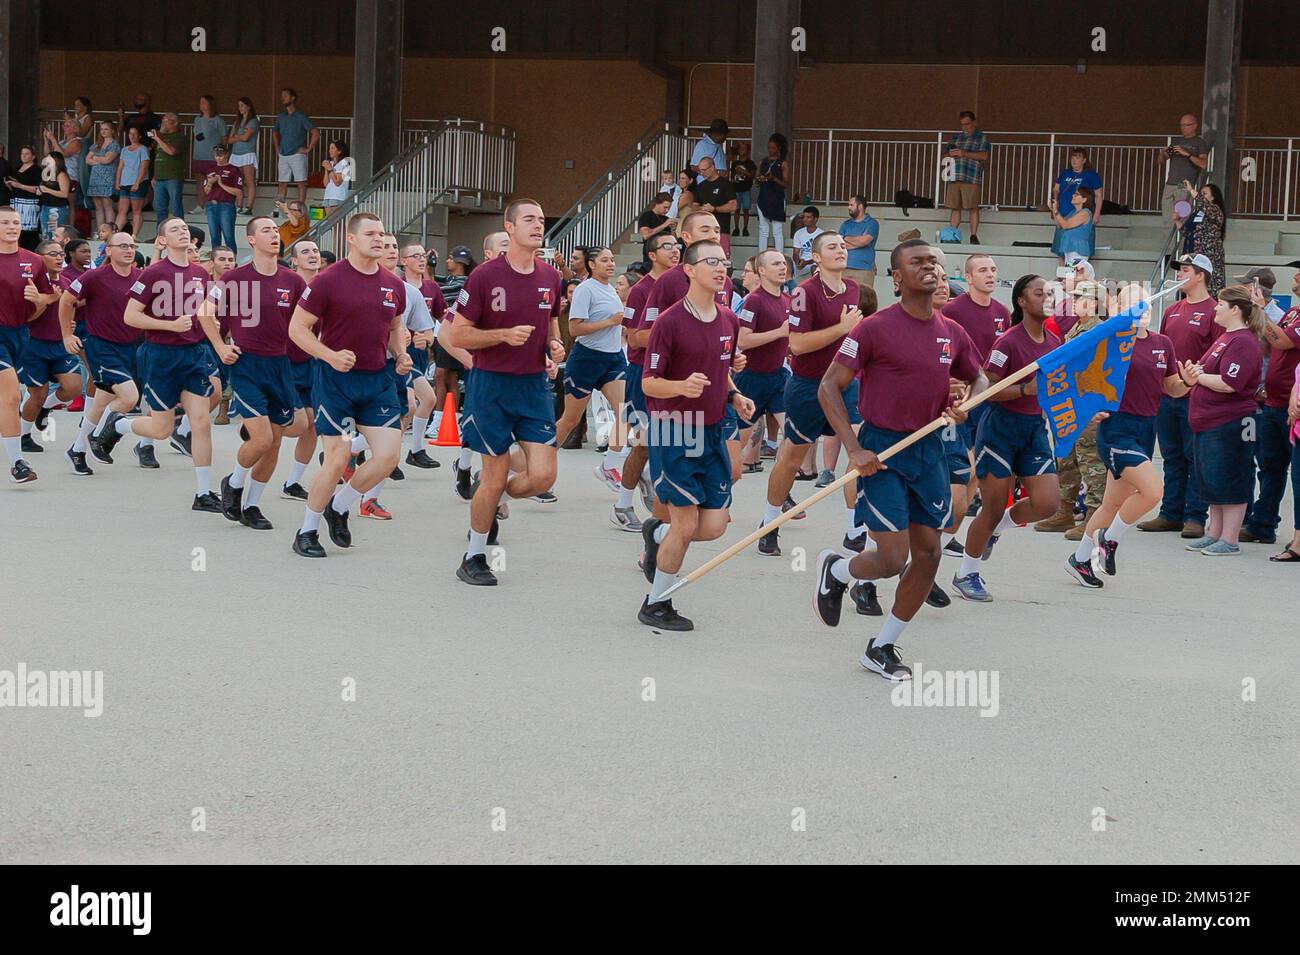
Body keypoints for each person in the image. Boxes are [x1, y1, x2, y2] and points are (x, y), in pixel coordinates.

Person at [813, 238, 983, 680]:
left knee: (928, 555)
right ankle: (837, 568)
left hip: (929, 451)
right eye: (917, 262)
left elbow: (979, 377)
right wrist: (853, 449)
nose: (930, 268)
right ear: (897, 276)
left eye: (935, 262)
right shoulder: (873, 328)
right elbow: (829, 387)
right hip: (883, 451)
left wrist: (969, 403)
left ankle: (883, 645)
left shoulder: (952, 332)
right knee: (891, 559)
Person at [445, 199, 565, 584]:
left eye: (541, 220)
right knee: (494, 475)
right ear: (509, 228)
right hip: (491, 384)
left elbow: (550, 323)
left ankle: (494, 502)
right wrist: (502, 335)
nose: (537, 225)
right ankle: (476, 555)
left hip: (533, 386)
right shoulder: (484, 276)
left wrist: (554, 346)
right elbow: (457, 333)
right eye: (529, 219)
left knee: (543, 477)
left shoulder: (550, 276)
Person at [638, 238, 752, 631]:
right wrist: (680, 386)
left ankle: (659, 532)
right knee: (687, 526)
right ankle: (656, 603)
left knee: (715, 525)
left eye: (724, 263)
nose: (721, 269)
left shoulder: (728, 320)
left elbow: (723, 373)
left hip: (714, 430)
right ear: (688, 269)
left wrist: (736, 397)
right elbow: (650, 384)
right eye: (711, 262)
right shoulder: (668, 322)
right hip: (673, 432)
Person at [286, 212, 410, 557]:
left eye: (383, 234)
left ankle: (339, 506)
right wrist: (328, 355)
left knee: (387, 457)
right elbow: (297, 329)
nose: (380, 240)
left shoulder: (393, 284)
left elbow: (396, 327)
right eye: (371, 233)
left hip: (378, 382)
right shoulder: (328, 280)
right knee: (338, 457)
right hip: (335, 384)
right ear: (351, 239)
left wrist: (400, 353)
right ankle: (306, 531)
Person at [91, 217, 218, 509]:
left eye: (185, 228)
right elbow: (131, 316)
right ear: (161, 240)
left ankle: (203, 493)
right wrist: (171, 325)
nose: (183, 232)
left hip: (194, 355)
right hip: (161, 355)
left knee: (201, 423)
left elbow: (205, 312)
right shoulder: (152, 273)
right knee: (161, 429)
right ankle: (120, 424)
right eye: (174, 229)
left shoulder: (200, 272)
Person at [953, 274, 1062, 602]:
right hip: (999, 430)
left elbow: (1058, 389)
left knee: (1047, 503)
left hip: (1032, 430)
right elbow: (987, 390)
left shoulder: (1054, 343)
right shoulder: (1008, 342)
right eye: (1038, 293)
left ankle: (997, 529)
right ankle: (966, 573)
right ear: (1022, 301)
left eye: (1050, 293)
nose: (1046, 297)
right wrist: (1027, 389)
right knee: (992, 505)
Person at [1068, 284, 1186, 586]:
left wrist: (1188, 382)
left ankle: (1080, 559)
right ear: (1118, 308)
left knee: (1112, 504)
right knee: (1152, 492)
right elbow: (1078, 377)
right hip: (1117, 429)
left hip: (1147, 429)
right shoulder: (1109, 340)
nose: (1142, 308)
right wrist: (1088, 408)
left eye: (1145, 302)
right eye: (1132, 302)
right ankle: (1110, 540)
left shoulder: (1163, 343)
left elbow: (1171, 387)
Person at [199, 215, 309, 530]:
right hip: (246, 364)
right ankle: (233, 483)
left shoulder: (293, 281)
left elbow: (306, 322)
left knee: (275, 442)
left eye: (276, 230)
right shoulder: (233, 279)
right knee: (262, 440)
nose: (274, 234)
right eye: (266, 230)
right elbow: (205, 312)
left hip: (281, 366)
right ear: (251, 239)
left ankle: (253, 505)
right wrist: (221, 346)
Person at [758, 233, 863, 558]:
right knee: (791, 458)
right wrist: (840, 328)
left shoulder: (855, 289)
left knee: (860, 454)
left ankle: (854, 530)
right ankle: (769, 522)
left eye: (843, 246)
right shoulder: (804, 292)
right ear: (815, 257)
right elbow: (797, 344)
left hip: (846, 383)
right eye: (832, 247)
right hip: (808, 386)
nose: (841, 250)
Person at [1182, 285, 1267, 556]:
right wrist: (1195, 372)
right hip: (1209, 422)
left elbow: (1231, 383)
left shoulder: (1243, 341)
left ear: (1235, 310)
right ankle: (1215, 532)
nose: (1215, 308)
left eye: (1220, 304)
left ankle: (1229, 538)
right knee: (1211, 478)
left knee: (1231, 476)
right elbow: (1204, 367)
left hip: (1231, 422)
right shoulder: (1225, 338)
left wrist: (1198, 377)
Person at [1138, 254, 1219, 539]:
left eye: (1186, 270)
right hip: (1168, 392)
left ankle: (1195, 514)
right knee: (1171, 455)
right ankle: (1170, 512)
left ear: (1201, 275)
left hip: (1196, 395)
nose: (1180, 274)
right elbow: (1160, 351)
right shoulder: (1172, 310)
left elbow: (1219, 352)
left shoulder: (1215, 310)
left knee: (1194, 455)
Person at [60, 232, 144, 475]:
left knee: (102, 403)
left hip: (130, 347)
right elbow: (66, 301)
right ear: (108, 250)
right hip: (102, 346)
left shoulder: (141, 278)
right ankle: (99, 438)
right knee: (129, 397)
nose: (128, 250)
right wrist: (67, 335)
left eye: (132, 246)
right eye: (122, 246)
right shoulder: (94, 276)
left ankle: (77, 450)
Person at [615, 234, 680, 532]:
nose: (675, 250)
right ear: (652, 255)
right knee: (643, 444)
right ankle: (622, 503)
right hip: (644, 372)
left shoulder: (685, 283)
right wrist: (670, 333)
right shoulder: (641, 290)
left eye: (677, 245)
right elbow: (632, 335)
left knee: (669, 443)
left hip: (675, 375)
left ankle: (667, 509)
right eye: (667, 246)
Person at [1034, 281, 1108, 536]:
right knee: (1066, 459)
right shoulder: (1076, 329)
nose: (1075, 301)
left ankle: (1093, 517)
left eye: (1081, 297)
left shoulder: (1099, 331)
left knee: (1090, 461)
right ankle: (1064, 510)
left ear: (1095, 302)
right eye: (1075, 296)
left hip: (1087, 404)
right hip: (1069, 404)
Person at [554, 245, 629, 490]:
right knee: (570, 419)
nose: (610, 263)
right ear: (592, 264)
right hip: (587, 358)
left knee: (626, 411)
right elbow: (575, 329)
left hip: (613, 358)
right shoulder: (586, 289)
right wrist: (609, 322)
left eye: (612, 259)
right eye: (604, 260)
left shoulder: (611, 291)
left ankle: (610, 466)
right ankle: (540, 462)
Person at [0, 208, 59, 482]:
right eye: (4, 223)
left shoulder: (34, 261)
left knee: (8, 398)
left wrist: (39, 299)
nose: (12, 227)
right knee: (11, 397)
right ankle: (17, 464)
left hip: (19, 334)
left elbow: (48, 298)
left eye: (15, 222)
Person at [1247, 273, 1300, 547]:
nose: (1296, 276)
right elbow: (1270, 344)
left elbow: (1281, 341)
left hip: (1293, 409)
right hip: (1273, 403)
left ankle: (1297, 537)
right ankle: (1263, 525)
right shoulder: (1292, 311)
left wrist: (1261, 310)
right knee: (1270, 467)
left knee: (1296, 473)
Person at [17, 241, 83, 453]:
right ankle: (24, 435)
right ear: (39, 258)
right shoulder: (32, 283)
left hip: (59, 343)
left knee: (73, 386)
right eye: (52, 253)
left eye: (61, 253)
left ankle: (46, 409)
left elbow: (70, 307)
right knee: (38, 394)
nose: (59, 257)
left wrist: (69, 325)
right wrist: (47, 300)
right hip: (34, 344)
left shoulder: (66, 282)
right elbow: (27, 316)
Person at [735, 250, 791, 477]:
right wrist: (779, 332)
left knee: (794, 434)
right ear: (762, 271)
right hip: (752, 378)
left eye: (784, 263)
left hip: (778, 376)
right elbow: (743, 340)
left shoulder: (788, 299)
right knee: (737, 442)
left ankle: (780, 489)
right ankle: (716, 483)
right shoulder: (754, 300)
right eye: (776, 263)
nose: (782, 267)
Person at [398, 240, 447, 470]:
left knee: (426, 400)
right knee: (408, 405)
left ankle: (414, 450)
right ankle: (390, 454)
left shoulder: (431, 288)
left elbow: (440, 319)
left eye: (423, 255)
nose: (421, 259)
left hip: (419, 353)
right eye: (415, 255)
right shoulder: (397, 286)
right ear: (403, 261)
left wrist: (429, 339)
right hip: (398, 352)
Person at [281, 239, 323, 500]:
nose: (312, 255)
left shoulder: (327, 285)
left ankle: (292, 482)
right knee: (299, 423)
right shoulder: (286, 285)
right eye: (305, 251)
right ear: (294, 260)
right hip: (285, 362)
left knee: (312, 427)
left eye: (316, 251)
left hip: (314, 364)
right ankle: (260, 427)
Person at [946, 111, 990, 243]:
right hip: (955, 174)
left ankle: (973, 235)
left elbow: (984, 156)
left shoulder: (981, 137)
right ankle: (952, 234)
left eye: (967, 124)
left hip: (971, 176)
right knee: (955, 206)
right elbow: (945, 155)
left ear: (974, 123)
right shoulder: (955, 138)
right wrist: (951, 154)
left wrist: (964, 153)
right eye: (962, 125)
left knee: (972, 206)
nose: (965, 127)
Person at [1158, 114, 1210, 224]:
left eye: (1186, 125)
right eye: (1181, 125)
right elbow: (1161, 161)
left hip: (1184, 186)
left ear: (1195, 126)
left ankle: (1181, 241)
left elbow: (1203, 164)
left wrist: (1187, 154)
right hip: (1170, 184)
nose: (1183, 128)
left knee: (1181, 218)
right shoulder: (1176, 142)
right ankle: (1169, 241)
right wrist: (1162, 153)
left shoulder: (1199, 143)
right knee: (1167, 219)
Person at [274, 88, 319, 210]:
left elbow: (315, 132)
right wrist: (277, 147)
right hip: (283, 153)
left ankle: (300, 209)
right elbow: (275, 132)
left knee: (301, 182)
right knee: (282, 182)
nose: (283, 98)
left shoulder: (300, 116)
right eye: (282, 96)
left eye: (285, 96)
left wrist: (309, 148)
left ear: (293, 98)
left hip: (297, 154)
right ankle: (278, 209)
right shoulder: (281, 116)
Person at [1181, 180, 1226, 296]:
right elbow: (1186, 231)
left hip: (1209, 255)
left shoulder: (1215, 210)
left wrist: (1191, 190)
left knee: (1209, 287)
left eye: (1205, 193)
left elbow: (1203, 202)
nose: (1201, 196)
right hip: (1193, 254)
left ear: (1213, 197)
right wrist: (1177, 221)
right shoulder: (1198, 213)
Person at [1053, 148, 1104, 237]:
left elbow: (1098, 195)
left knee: (1079, 240)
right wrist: (1056, 203)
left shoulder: (1092, 175)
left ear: (1084, 160)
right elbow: (1056, 189)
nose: (1074, 160)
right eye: (1072, 158)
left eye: (1078, 158)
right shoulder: (1065, 173)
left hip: (1081, 215)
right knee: (1062, 243)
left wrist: (1097, 213)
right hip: (1064, 212)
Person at [691, 157, 737, 255]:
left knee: (721, 258)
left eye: (704, 170)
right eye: (700, 171)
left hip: (721, 230)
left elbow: (733, 206)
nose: (702, 173)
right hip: (703, 230)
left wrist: (715, 209)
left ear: (712, 168)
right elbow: (694, 206)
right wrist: (702, 209)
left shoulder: (725, 184)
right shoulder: (700, 186)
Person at [202, 145, 243, 253]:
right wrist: (210, 183)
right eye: (216, 155)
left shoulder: (234, 169)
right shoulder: (210, 170)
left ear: (226, 154)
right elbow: (206, 192)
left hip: (226, 205)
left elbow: (238, 192)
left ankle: (232, 262)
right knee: (214, 238)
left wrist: (220, 183)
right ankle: (216, 263)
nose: (218, 158)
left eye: (221, 155)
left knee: (228, 237)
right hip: (211, 205)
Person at [191, 95, 227, 214]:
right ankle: (200, 205)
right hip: (199, 154)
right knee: (200, 181)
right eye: (200, 102)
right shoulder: (197, 119)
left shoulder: (218, 120)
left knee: (213, 181)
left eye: (204, 103)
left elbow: (224, 137)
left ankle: (213, 204)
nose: (201, 105)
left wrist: (221, 152)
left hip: (212, 156)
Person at [150, 113, 188, 222]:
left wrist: (158, 139)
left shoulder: (180, 137)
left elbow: (172, 151)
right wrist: (154, 176)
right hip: (159, 177)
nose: (163, 122)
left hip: (173, 177)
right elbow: (158, 156)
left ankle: (179, 231)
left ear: (174, 123)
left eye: (166, 120)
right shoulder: (162, 137)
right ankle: (160, 235)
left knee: (176, 207)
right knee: (160, 209)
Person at [755, 134, 790, 254]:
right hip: (764, 197)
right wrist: (760, 179)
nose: (770, 150)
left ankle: (779, 256)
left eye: (773, 148)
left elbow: (786, 184)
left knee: (777, 230)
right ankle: (761, 256)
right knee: (763, 230)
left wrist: (774, 178)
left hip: (777, 199)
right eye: (769, 147)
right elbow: (757, 180)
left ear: (779, 148)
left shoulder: (783, 163)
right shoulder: (763, 162)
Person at [113, 127, 149, 238]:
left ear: (139, 136)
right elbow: (120, 167)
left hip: (138, 182)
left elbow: (144, 166)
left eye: (135, 134)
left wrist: (137, 182)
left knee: (136, 210)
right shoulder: (124, 149)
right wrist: (117, 181)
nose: (132, 136)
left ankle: (134, 235)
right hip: (125, 182)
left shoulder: (143, 149)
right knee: (122, 210)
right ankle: (115, 234)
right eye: (130, 134)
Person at [84, 123, 120, 234]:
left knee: (107, 205)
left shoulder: (114, 145)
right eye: (101, 129)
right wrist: (100, 159)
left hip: (107, 178)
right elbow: (87, 159)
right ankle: (101, 232)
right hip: (95, 178)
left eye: (106, 129)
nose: (103, 131)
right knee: (98, 207)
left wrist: (95, 158)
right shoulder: (97, 144)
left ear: (112, 131)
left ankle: (110, 231)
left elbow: (108, 160)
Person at [5, 146, 43, 249]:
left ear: (33, 156)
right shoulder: (17, 168)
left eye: (27, 154)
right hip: (17, 203)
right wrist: (10, 184)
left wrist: (20, 186)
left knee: (29, 233)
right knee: (17, 230)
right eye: (22, 154)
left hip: (29, 205)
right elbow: (15, 187)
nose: (24, 156)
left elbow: (39, 189)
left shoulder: (37, 170)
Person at [227, 97, 260, 214]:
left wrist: (237, 136)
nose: (240, 108)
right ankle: (238, 205)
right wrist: (239, 136)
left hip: (247, 154)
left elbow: (246, 137)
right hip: (236, 154)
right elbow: (229, 140)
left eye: (242, 105)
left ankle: (249, 207)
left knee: (249, 181)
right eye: (239, 105)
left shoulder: (253, 121)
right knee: (237, 181)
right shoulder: (237, 122)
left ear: (248, 106)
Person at [839, 194, 879, 287]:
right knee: (843, 299)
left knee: (863, 299)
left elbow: (864, 241)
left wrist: (845, 238)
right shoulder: (845, 224)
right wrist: (859, 242)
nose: (848, 207)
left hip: (864, 269)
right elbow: (840, 244)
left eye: (851, 205)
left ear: (860, 206)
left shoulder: (872, 223)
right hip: (844, 267)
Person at [1049, 186, 1095, 265]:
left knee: (1075, 275)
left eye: (1077, 194)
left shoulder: (1085, 213)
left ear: (1084, 199)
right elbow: (1059, 224)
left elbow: (1066, 225)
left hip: (1078, 250)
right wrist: (1054, 209)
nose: (1073, 195)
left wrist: (1056, 211)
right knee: (1069, 274)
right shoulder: (1073, 212)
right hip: (1069, 249)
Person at [37, 151, 73, 242]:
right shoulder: (47, 173)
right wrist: (40, 190)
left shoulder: (61, 174)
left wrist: (47, 190)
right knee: (45, 233)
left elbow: (64, 194)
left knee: (55, 233)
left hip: (57, 207)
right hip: (45, 205)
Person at [637, 193, 675, 267]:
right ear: (657, 204)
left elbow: (673, 239)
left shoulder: (666, 219)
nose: (667, 210)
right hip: (652, 252)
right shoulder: (647, 216)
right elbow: (645, 235)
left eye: (669, 208)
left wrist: (673, 229)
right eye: (665, 207)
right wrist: (664, 225)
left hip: (666, 252)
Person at [729, 141, 757, 237]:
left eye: (744, 149)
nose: (742, 151)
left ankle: (745, 228)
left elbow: (752, 176)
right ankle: (736, 227)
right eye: (740, 149)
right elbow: (732, 176)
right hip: (736, 189)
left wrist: (744, 171)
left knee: (745, 209)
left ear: (748, 151)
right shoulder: (735, 163)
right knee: (736, 209)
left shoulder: (750, 163)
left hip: (746, 189)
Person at [791, 206, 824, 279]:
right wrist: (798, 263)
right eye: (804, 217)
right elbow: (795, 253)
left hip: (815, 263)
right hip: (802, 263)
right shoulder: (798, 233)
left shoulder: (822, 235)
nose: (805, 219)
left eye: (808, 217)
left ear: (815, 219)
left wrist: (807, 262)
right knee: (787, 265)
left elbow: (822, 256)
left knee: (814, 268)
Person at [321, 140, 353, 208]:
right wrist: (326, 169)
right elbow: (326, 184)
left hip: (338, 196)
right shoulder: (331, 163)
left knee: (336, 218)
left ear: (339, 151)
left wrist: (330, 169)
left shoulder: (344, 163)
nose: (330, 150)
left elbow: (337, 182)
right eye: (329, 148)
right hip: (328, 195)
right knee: (329, 218)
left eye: (332, 148)